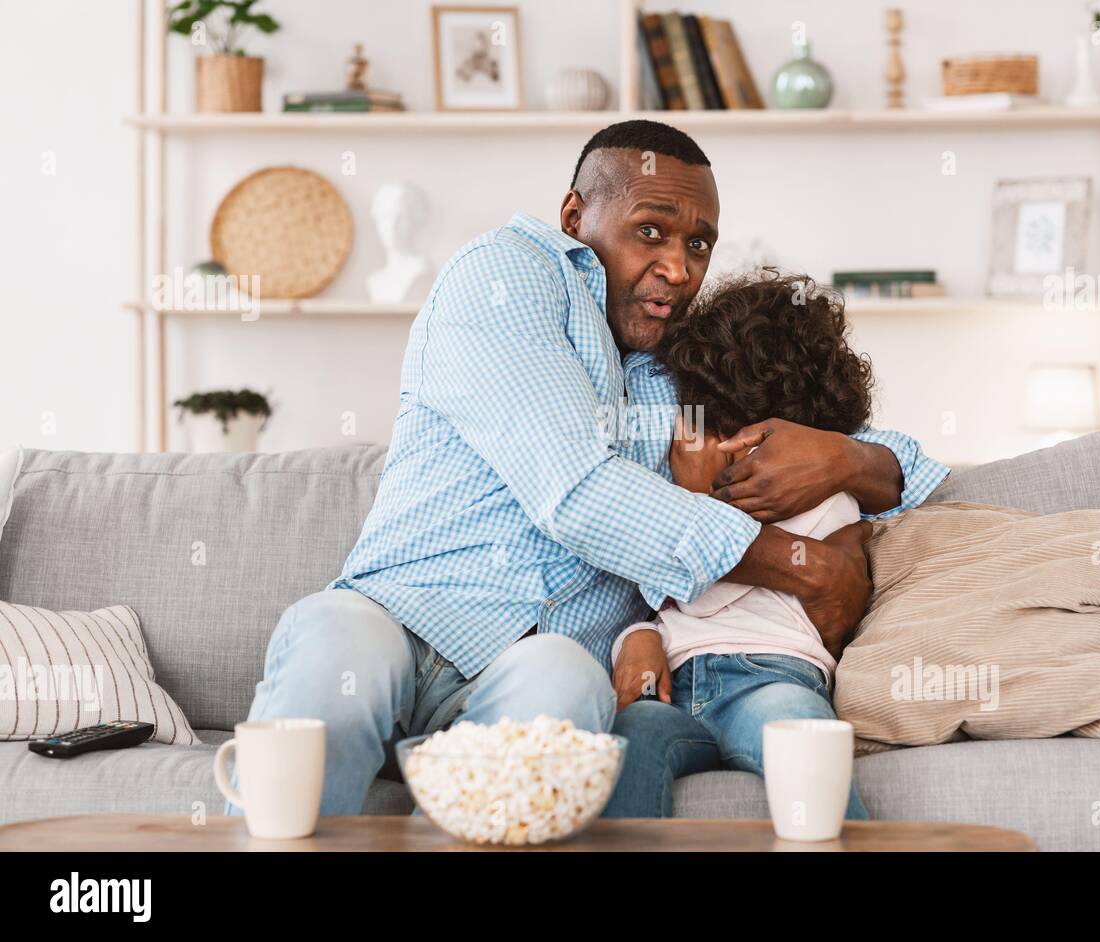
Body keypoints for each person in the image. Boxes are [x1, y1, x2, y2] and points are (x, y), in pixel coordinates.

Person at [228, 120, 948, 817]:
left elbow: (910, 466)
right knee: (335, 644)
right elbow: (573, 492)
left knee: (568, 677)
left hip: (535, 663)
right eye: (650, 232)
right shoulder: (508, 277)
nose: (679, 267)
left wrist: (846, 456)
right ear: (576, 216)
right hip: (398, 619)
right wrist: (808, 567)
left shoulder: (680, 371)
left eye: (699, 243)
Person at [606, 272, 876, 819]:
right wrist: (635, 639)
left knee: (802, 732)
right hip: (674, 687)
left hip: (772, 678)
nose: (707, 444)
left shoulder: (830, 505)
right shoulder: (662, 502)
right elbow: (650, 605)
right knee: (629, 740)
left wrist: (708, 497)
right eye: (699, 422)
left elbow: (837, 615)